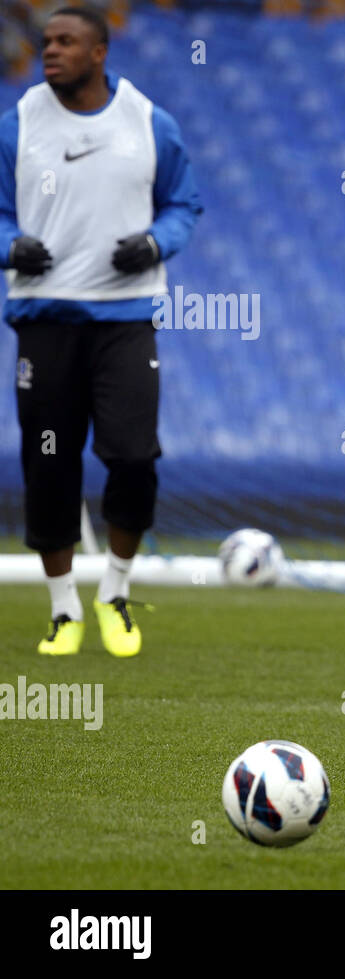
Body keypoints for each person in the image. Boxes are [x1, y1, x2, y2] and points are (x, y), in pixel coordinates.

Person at [0, 6, 202, 656]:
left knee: (134, 458)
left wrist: (155, 243)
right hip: (46, 323)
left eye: (65, 41)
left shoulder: (147, 122)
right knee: (50, 467)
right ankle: (64, 610)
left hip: (124, 322)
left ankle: (114, 592)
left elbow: (184, 203)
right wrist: (11, 246)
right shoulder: (20, 123)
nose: (49, 49)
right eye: (47, 40)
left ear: (98, 53)